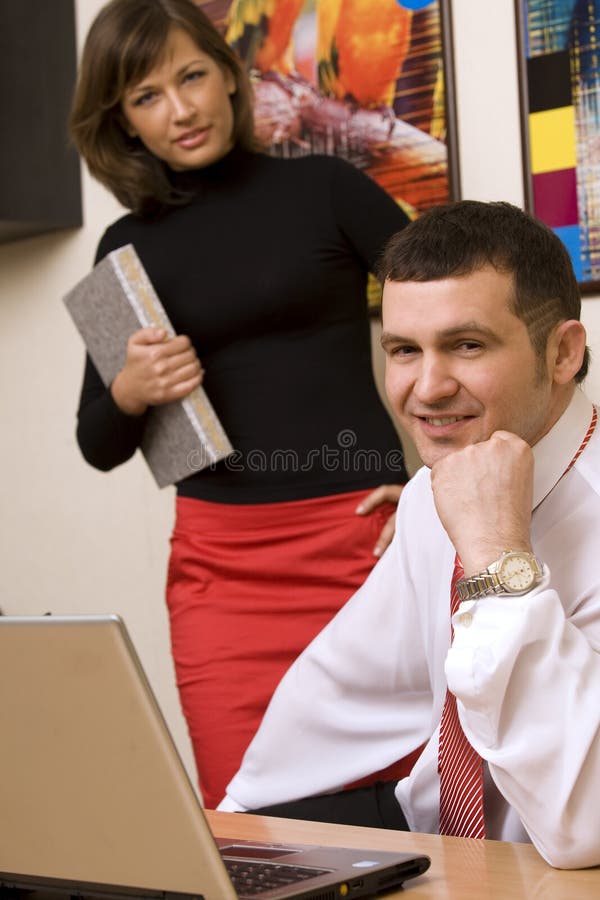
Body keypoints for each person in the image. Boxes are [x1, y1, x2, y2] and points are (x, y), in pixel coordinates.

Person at [69, 0, 413, 809]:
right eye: (147, 96)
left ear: (229, 75)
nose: (180, 109)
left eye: (191, 76)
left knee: (417, 820)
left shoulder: (327, 188)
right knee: (252, 833)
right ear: (122, 123)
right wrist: (131, 389)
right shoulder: (122, 247)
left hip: (360, 551)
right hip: (221, 577)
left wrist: (436, 491)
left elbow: (454, 320)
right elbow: (99, 441)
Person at [218, 200, 600, 870]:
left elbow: (587, 822)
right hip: (444, 842)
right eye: (403, 350)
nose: (426, 388)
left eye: (467, 345)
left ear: (564, 352)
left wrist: (496, 554)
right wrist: (232, 829)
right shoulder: (436, 490)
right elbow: (337, 692)